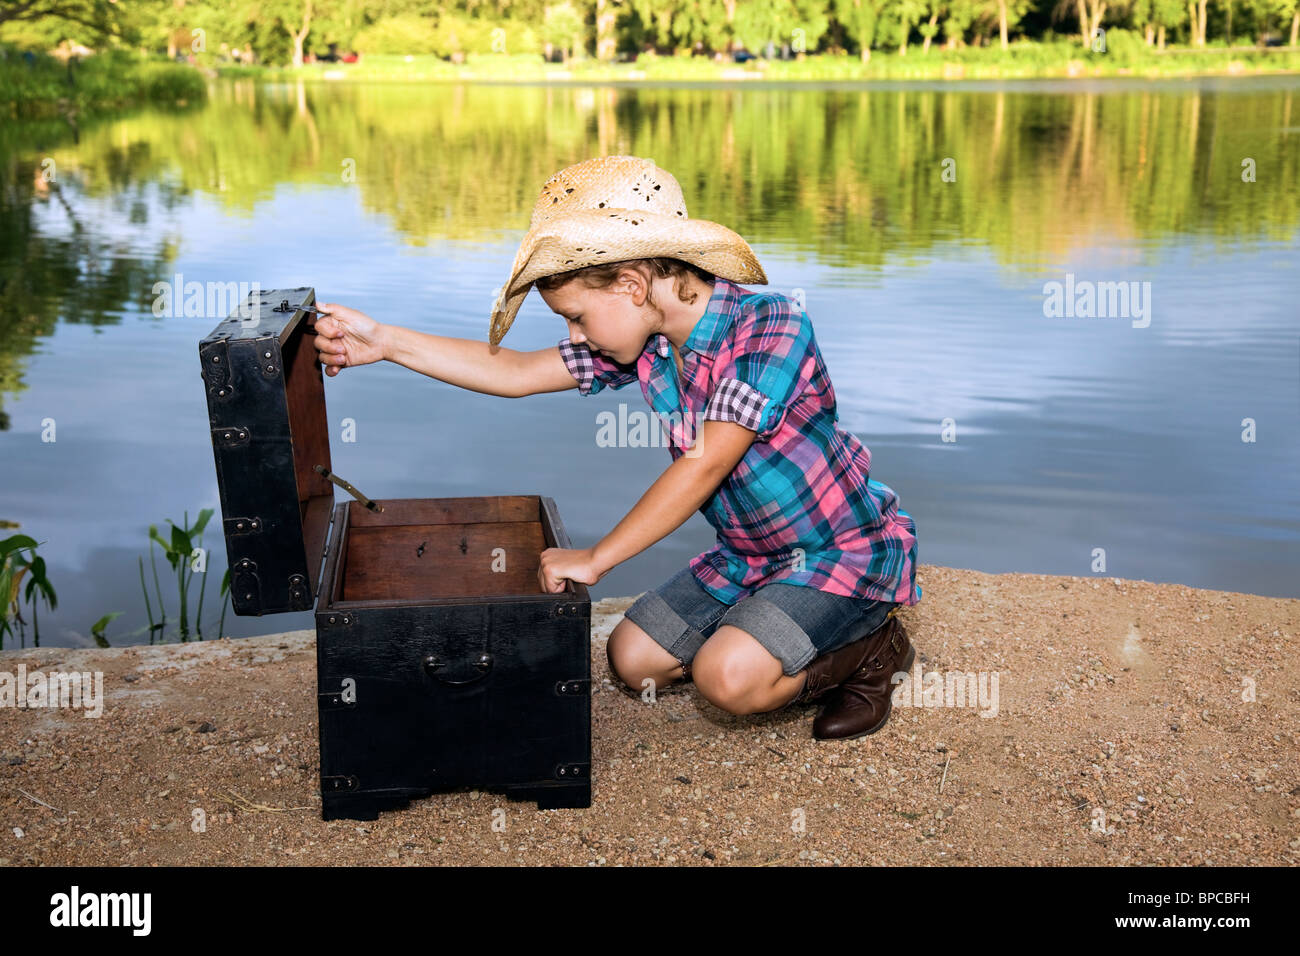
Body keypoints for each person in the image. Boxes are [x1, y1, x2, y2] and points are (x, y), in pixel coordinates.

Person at [311, 155, 921, 739]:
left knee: (725, 679)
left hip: (837, 553)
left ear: (631, 285)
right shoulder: (651, 342)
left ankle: (871, 651)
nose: (574, 335)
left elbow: (704, 461)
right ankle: (772, 626)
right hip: (747, 557)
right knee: (634, 661)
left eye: (576, 317)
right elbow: (517, 371)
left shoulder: (771, 328)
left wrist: (597, 558)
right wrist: (385, 341)